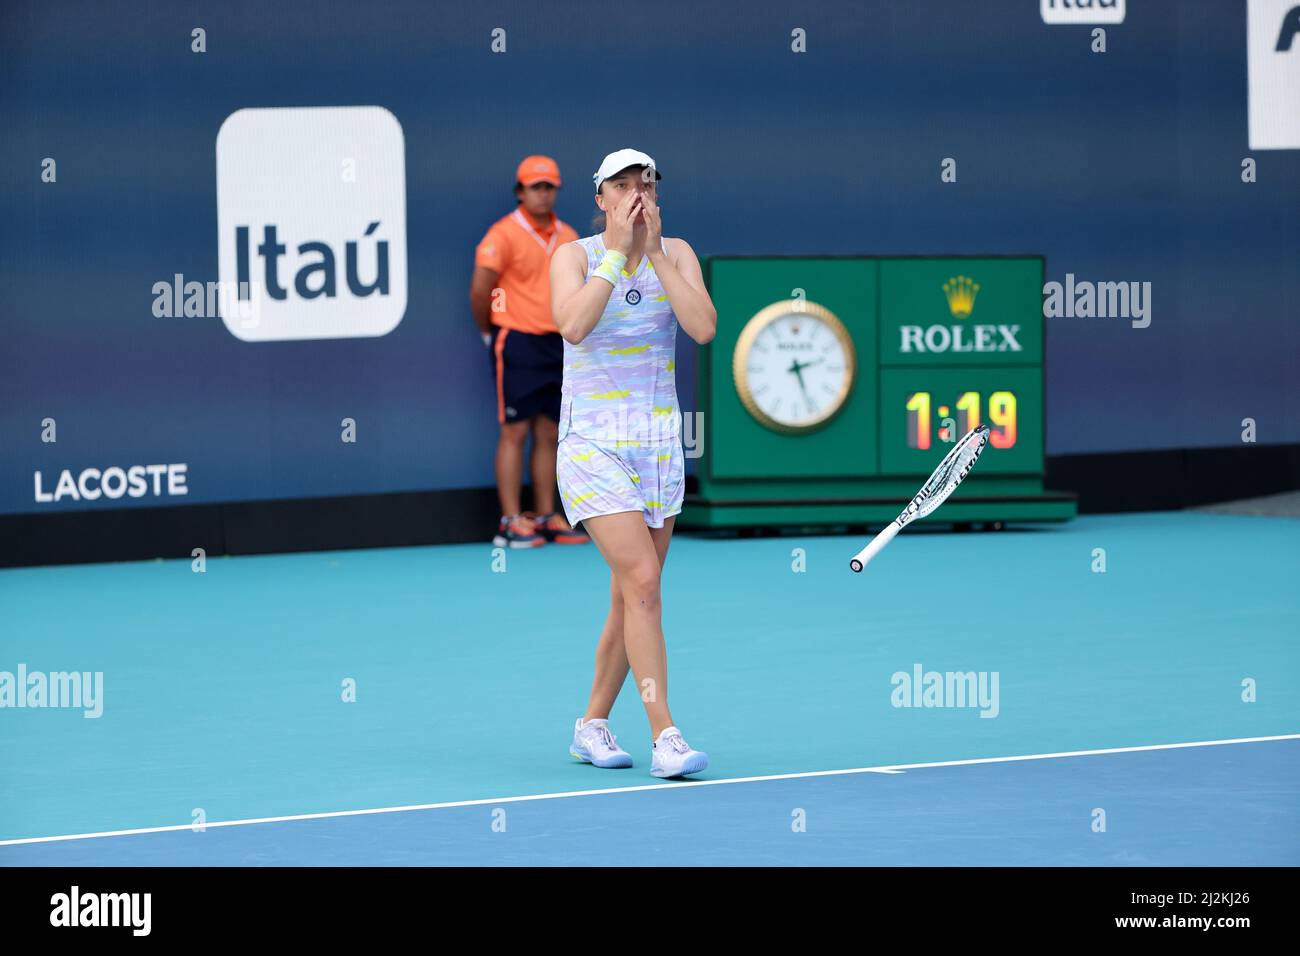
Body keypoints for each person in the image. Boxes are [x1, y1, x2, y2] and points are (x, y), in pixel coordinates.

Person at [549, 149, 718, 778]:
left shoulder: (679, 252)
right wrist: (619, 253)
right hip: (591, 446)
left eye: (644, 182)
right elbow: (572, 323)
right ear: (600, 199)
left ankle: (591, 725)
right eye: (621, 185)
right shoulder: (574, 256)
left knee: (632, 597)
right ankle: (665, 734)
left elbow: (702, 327)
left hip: (657, 448)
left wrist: (653, 254)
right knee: (644, 582)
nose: (635, 193)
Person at [471, 155, 589, 548]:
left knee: (551, 431)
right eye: (535, 187)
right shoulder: (502, 234)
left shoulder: (569, 235)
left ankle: (545, 516)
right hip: (516, 339)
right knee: (515, 430)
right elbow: (481, 288)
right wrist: (492, 331)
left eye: (549, 186)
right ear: (520, 192)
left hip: (559, 343)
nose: (543, 193)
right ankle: (509, 522)